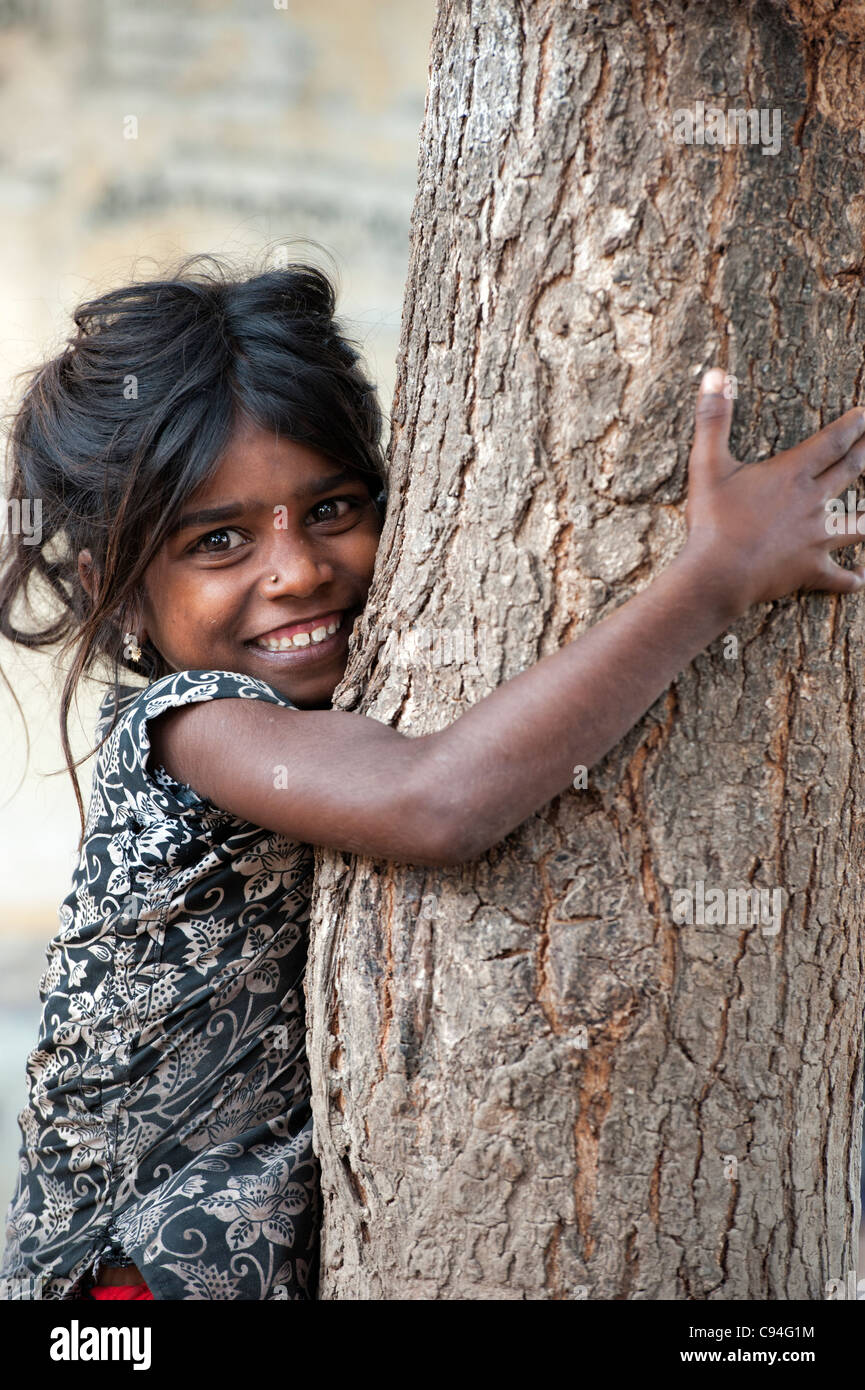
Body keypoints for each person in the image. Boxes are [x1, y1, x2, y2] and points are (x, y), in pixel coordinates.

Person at [0, 253, 863, 1301]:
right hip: (124, 1295)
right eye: (218, 540)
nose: (297, 569)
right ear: (120, 592)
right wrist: (712, 578)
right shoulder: (196, 727)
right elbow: (438, 800)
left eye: (331, 509)